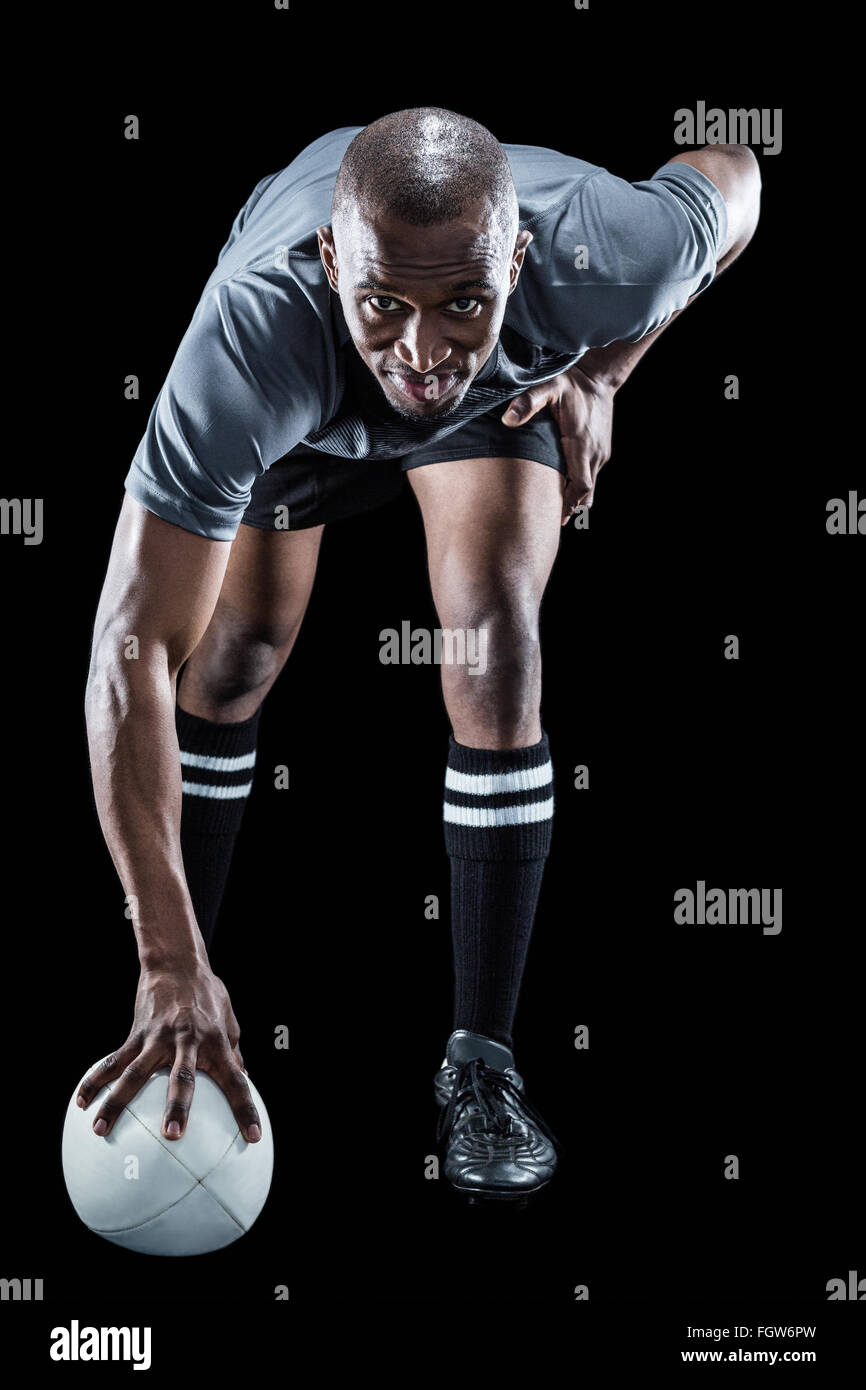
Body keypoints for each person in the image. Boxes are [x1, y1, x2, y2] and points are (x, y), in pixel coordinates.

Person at [80, 107, 760, 1202]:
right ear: (333, 260)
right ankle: (174, 1004)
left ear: (520, 261)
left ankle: (482, 1068)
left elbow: (736, 181)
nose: (424, 352)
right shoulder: (255, 335)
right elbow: (129, 649)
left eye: (463, 303)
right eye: (387, 302)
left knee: (492, 635)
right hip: (308, 401)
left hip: (506, 394)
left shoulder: (600, 251)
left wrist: (601, 375)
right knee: (232, 653)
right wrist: (165, 959)